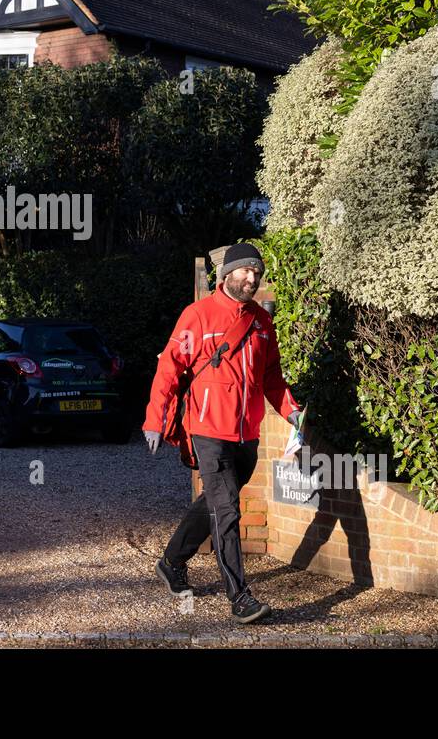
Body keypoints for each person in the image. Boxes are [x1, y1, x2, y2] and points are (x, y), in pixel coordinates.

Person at [143, 243, 303, 623]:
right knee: (227, 509)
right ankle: (240, 597)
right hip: (207, 428)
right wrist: (154, 419)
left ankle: (171, 561)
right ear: (226, 274)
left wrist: (292, 413)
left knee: (216, 502)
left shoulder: (263, 323)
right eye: (246, 270)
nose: (252, 278)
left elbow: (272, 380)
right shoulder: (196, 316)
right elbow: (169, 369)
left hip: (247, 433)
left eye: (257, 272)